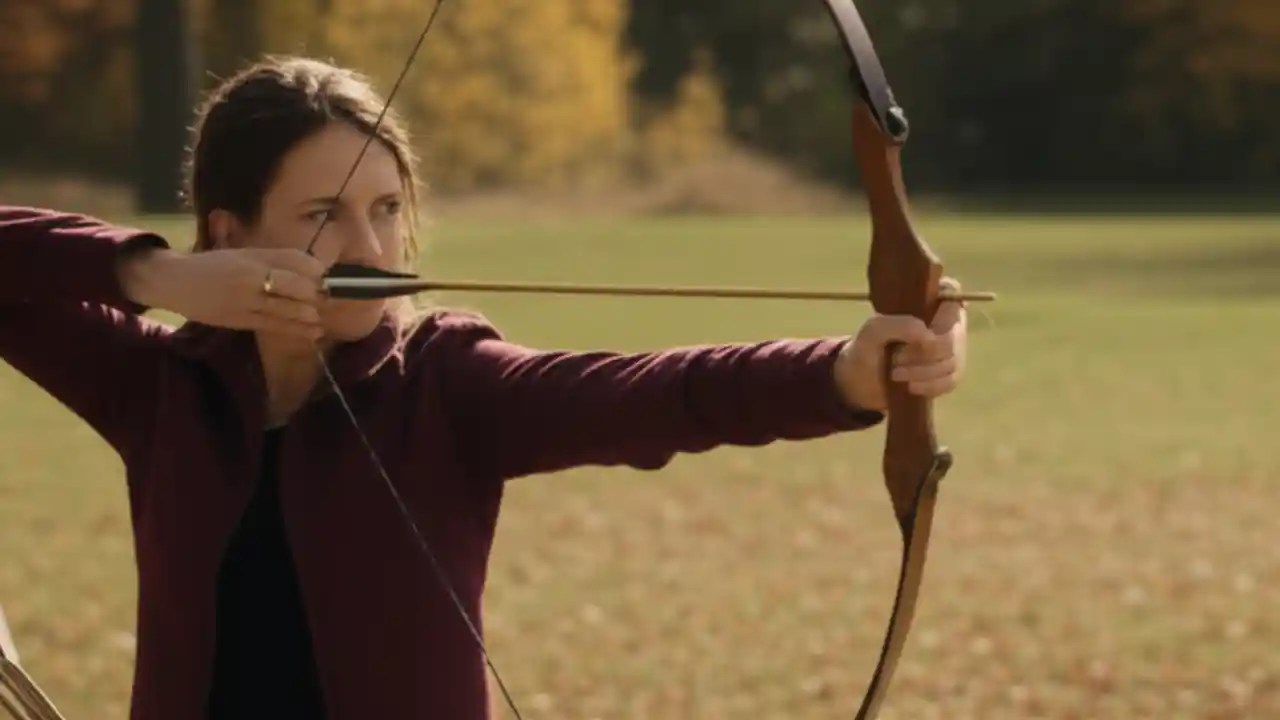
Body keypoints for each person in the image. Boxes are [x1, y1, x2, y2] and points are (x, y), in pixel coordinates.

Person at [0, 56, 967, 719]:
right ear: (227, 231)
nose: (372, 249)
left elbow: (659, 393)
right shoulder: (163, 387)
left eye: (386, 210)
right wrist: (152, 276)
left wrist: (846, 373)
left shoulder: (448, 387)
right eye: (322, 215)